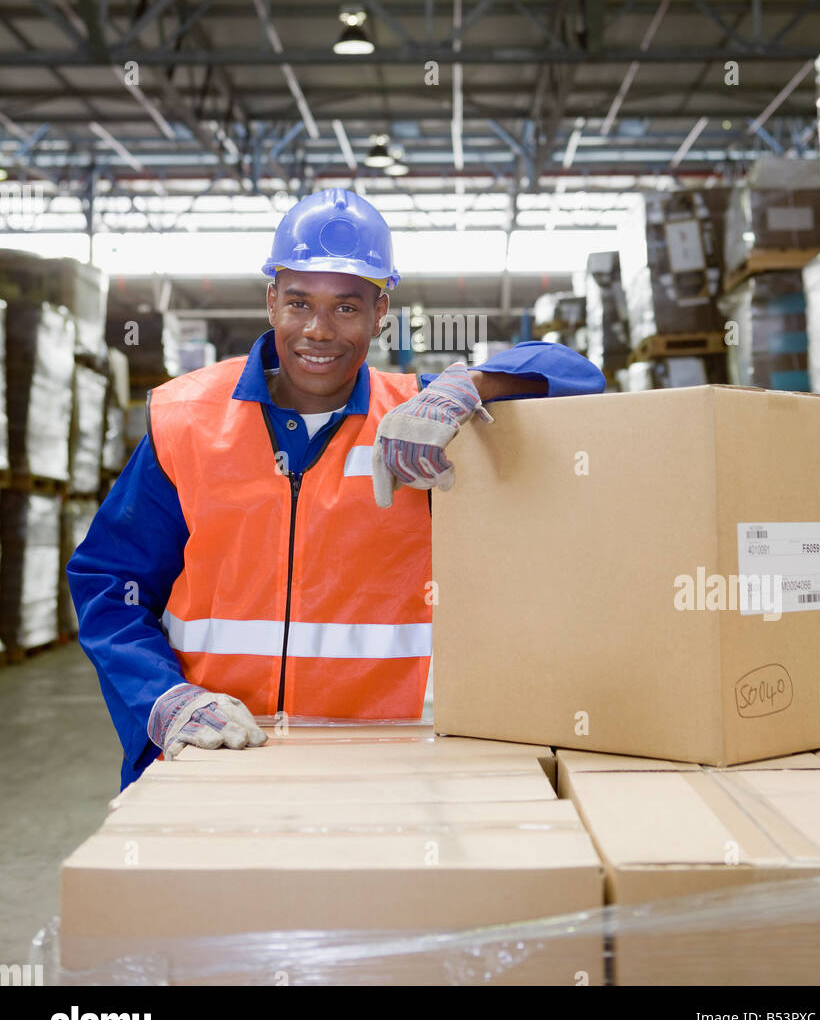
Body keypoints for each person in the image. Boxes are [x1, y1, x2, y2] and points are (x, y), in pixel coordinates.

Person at [68, 189, 605, 788]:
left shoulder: (422, 418)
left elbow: (580, 377)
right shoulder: (188, 421)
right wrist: (163, 700)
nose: (318, 331)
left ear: (381, 313)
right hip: (213, 755)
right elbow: (112, 583)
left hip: (382, 761)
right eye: (299, 302)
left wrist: (468, 385)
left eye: (346, 308)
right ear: (271, 302)